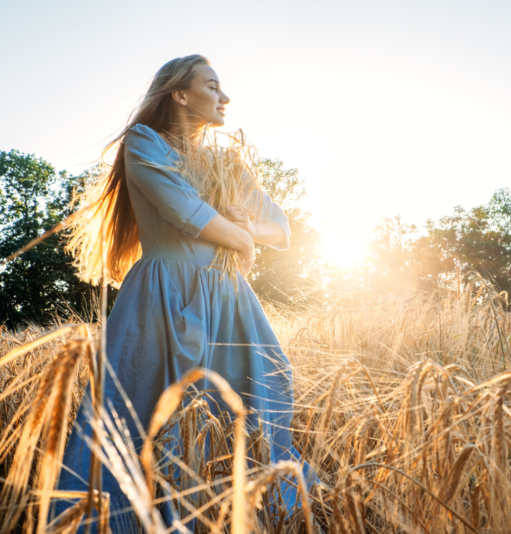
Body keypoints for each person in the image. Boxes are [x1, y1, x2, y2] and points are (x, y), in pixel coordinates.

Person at [56, 54, 318, 531]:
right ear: (180, 93)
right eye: (213, 86)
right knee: (145, 415)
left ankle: (250, 516)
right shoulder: (144, 144)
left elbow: (280, 228)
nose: (225, 97)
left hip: (230, 298)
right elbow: (184, 210)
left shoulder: (226, 162)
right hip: (164, 295)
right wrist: (238, 238)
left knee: (262, 394)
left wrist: (249, 228)